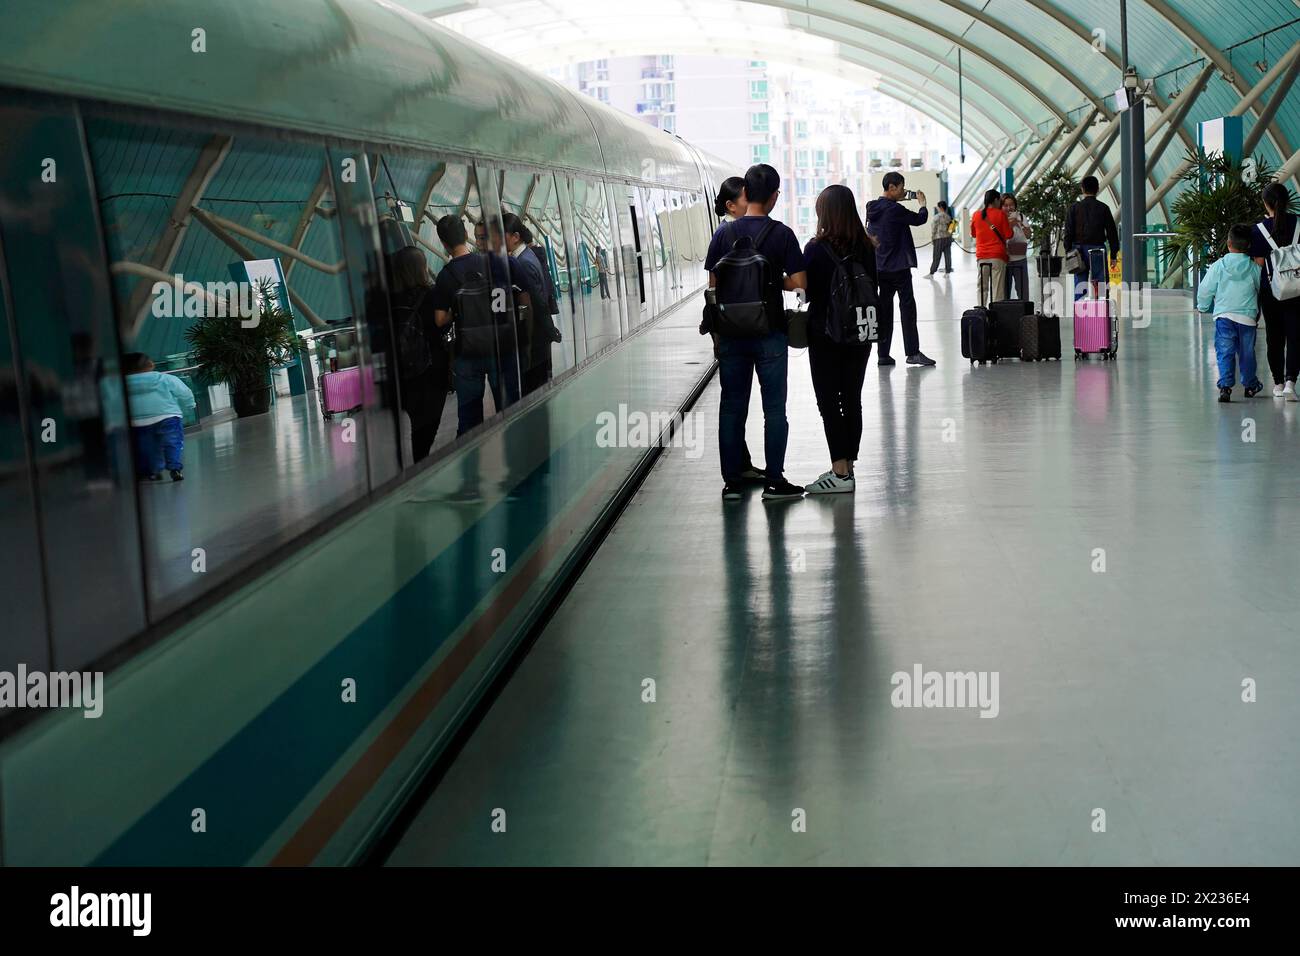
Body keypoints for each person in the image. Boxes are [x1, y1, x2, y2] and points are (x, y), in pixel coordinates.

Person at [703, 163, 807, 502]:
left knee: (732, 407)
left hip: (731, 334)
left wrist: (718, 334)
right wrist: (774, 279)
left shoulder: (723, 234)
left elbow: (713, 288)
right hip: (770, 333)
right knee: (774, 409)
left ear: (745, 193)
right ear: (775, 195)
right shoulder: (782, 234)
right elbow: (801, 286)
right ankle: (774, 482)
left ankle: (732, 482)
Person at [802, 184, 876, 494]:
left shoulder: (815, 249)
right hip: (860, 332)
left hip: (825, 333)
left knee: (829, 402)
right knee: (852, 399)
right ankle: (849, 467)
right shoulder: (868, 246)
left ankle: (840, 471)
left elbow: (806, 294)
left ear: (825, 213)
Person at [432, 215, 520, 435]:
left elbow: (439, 320)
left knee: (469, 418)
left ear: (443, 243)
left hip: (467, 353)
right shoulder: (489, 263)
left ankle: (470, 462)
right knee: (508, 409)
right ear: (466, 235)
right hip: (498, 347)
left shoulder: (445, 276)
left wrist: (457, 310)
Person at [864, 171, 935, 366]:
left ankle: (883, 354)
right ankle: (912, 352)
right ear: (892, 187)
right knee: (908, 308)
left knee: (885, 311)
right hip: (899, 267)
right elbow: (919, 219)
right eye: (901, 188)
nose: (904, 191)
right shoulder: (895, 211)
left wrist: (898, 200)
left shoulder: (872, 207)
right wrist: (922, 204)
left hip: (880, 267)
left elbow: (888, 212)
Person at [385, 243, 448, 462]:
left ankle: (416, 459)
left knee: (415, 419)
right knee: (427, 424)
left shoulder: (388, 300)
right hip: (431, 369)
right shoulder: (430, 295)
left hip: (402, 372)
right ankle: (420, 461)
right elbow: (440, 326)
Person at [1198, 224, 1264, 403]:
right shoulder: (1253, 268)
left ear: (1228, 243)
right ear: (1248, 246)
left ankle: (1226, 387)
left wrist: (1202, 306)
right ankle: (1250, 385)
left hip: (1224, 317)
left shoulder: (1218, 266)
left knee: (1225, 351)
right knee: (1247, 353)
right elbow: (1262, 288)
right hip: (1247, 318)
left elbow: (1205, 289)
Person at [1249, 181, 1300, 401]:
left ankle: (1278, 383)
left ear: (1265, 203)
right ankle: (1291, 382)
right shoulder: (1298, 224)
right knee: (1296, 335)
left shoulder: (1258, 230)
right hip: (1297, 288)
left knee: (1274, 336)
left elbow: (1259, 263)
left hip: (1271, 289)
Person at [501, 212, 555, 395]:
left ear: (516, 237)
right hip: (538, 335)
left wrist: (529, 338)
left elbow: (535, 303)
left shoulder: (523, 262)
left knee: (533, 388)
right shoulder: (526, 255)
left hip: (535, 336)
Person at [122, 351, 195, 482]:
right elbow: (183, 391)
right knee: (172, 443)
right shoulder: (162, 378)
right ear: (150, 364)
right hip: (167, 416)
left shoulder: (123, 383)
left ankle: (152, 471)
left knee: (147, 447)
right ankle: (175, 469)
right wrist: (190, 403)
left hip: (137, 420)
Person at [1063, 175, 1119, 300]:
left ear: (1082, 189)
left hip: (1078, 251)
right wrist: (1113, 254)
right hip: (1097, 249)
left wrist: (1068, 251)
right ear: (1098, 189)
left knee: (1080, 284)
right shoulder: (1103, 208)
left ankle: (1080, 316)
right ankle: (1102, 313)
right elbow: (1112, 233)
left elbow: (1068, 232)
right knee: (1101, 284)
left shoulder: (1074, 208)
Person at [970, 189, 1011, 307]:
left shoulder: (976, 215)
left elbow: (973, 234)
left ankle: (981, 311)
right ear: (996, 200)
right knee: (997, 289)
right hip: (997, 256)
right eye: (1000, 201)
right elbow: (1009, 234)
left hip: (982, 257)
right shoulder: (1001, 214)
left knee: (982, 287)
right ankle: (997, 314)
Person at [1001, 193, 1032, 300]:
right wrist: (1010, 224)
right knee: (1004, 292)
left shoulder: (1021, 217)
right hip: (1004, 259)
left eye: (1011, 205)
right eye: (1005, 205)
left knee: (1023, 290)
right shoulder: (1000, 218)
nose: (1009, 208)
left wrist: (1019, 223)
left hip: (1020, 258)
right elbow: (1000, 237)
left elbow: (1028, 235)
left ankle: (1025, 314)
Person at [926, 200, 954, 276]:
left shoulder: (936, 217)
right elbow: (951, 229)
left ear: (941, 207)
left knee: (936, 256)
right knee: (948, 256)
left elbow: (933, 229)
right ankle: (947, 272)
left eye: (938, 207)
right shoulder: (949, 217)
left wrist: (932, 238)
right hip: (948, 238)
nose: (937, 208)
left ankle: (931, 273)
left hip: (939, 239)